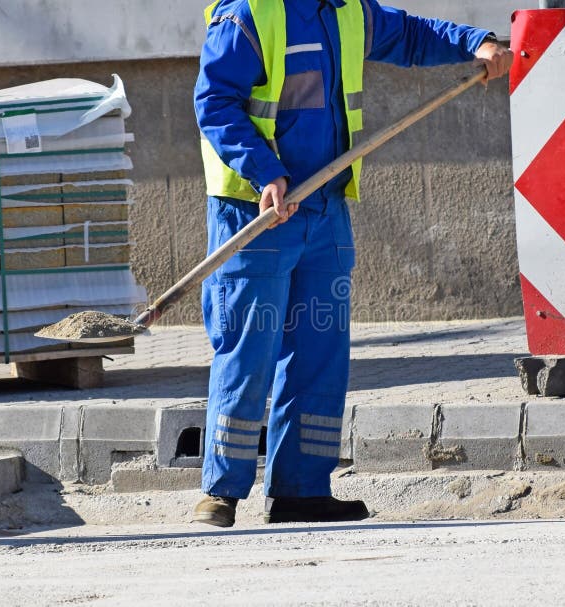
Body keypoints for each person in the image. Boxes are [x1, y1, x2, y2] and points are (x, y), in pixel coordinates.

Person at [192, 0, 512, 527]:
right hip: (258, 212)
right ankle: (220, 491)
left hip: (324, 209)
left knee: (320, 353)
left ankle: (301, 491)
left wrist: (473, 43)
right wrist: (265, 171)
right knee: (249, 350)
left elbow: (410, 35)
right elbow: (215, 102)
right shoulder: (249, 14)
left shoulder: (347, 12)